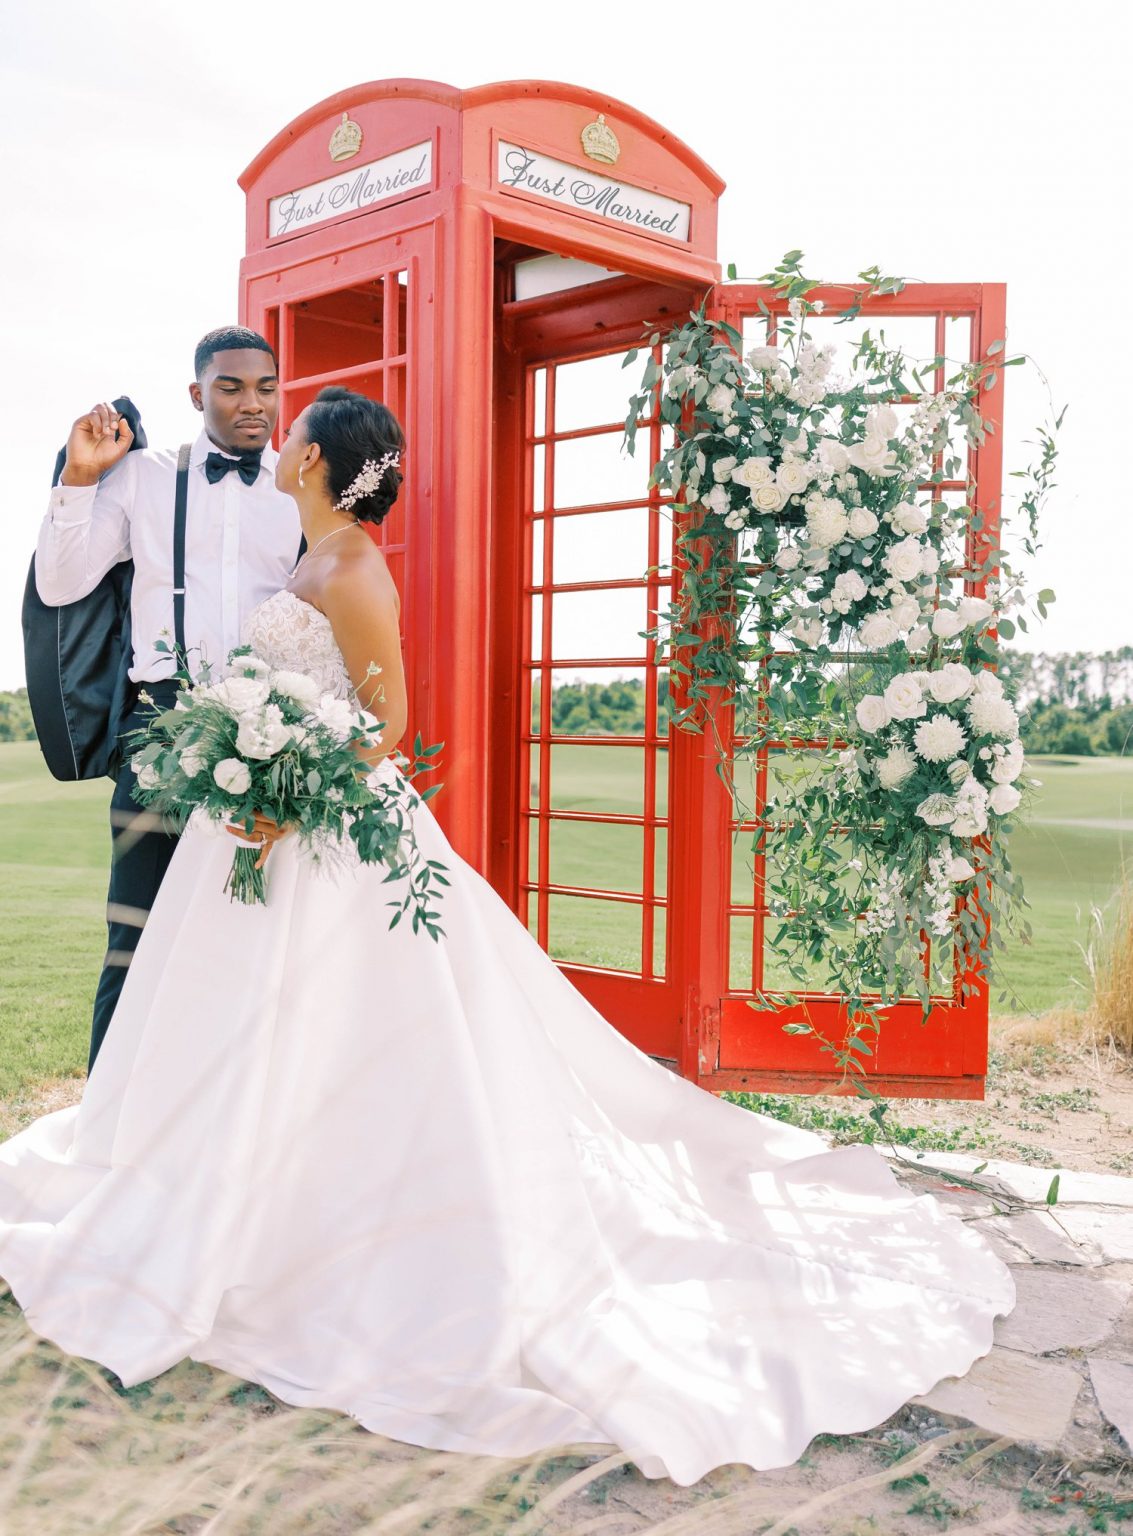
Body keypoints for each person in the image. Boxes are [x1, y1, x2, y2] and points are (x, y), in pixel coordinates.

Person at [0, 387, 1016, 1488]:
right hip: (251, 826)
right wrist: (241, 760)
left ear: (317, 462)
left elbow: (387, 726)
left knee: (346, 1035)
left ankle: (315, 1222)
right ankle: (218, 1193)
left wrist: (290, 789)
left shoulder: (351, 570)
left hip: (322, 830)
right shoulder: (305, 559)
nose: (277, 433)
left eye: (294, 429)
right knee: (238, 1025)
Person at [34, 327, 302, 1072]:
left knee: (251, 936)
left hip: (270, 731)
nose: (253, 405)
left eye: (266, 388)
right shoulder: (145, 476)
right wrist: (82, 480)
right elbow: (62, 585)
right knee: (135, 933)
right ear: (196, 394)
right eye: (231, 388)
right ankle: (105, 1125)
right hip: (159, 730)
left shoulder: (295, 487)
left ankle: (219, 1127)